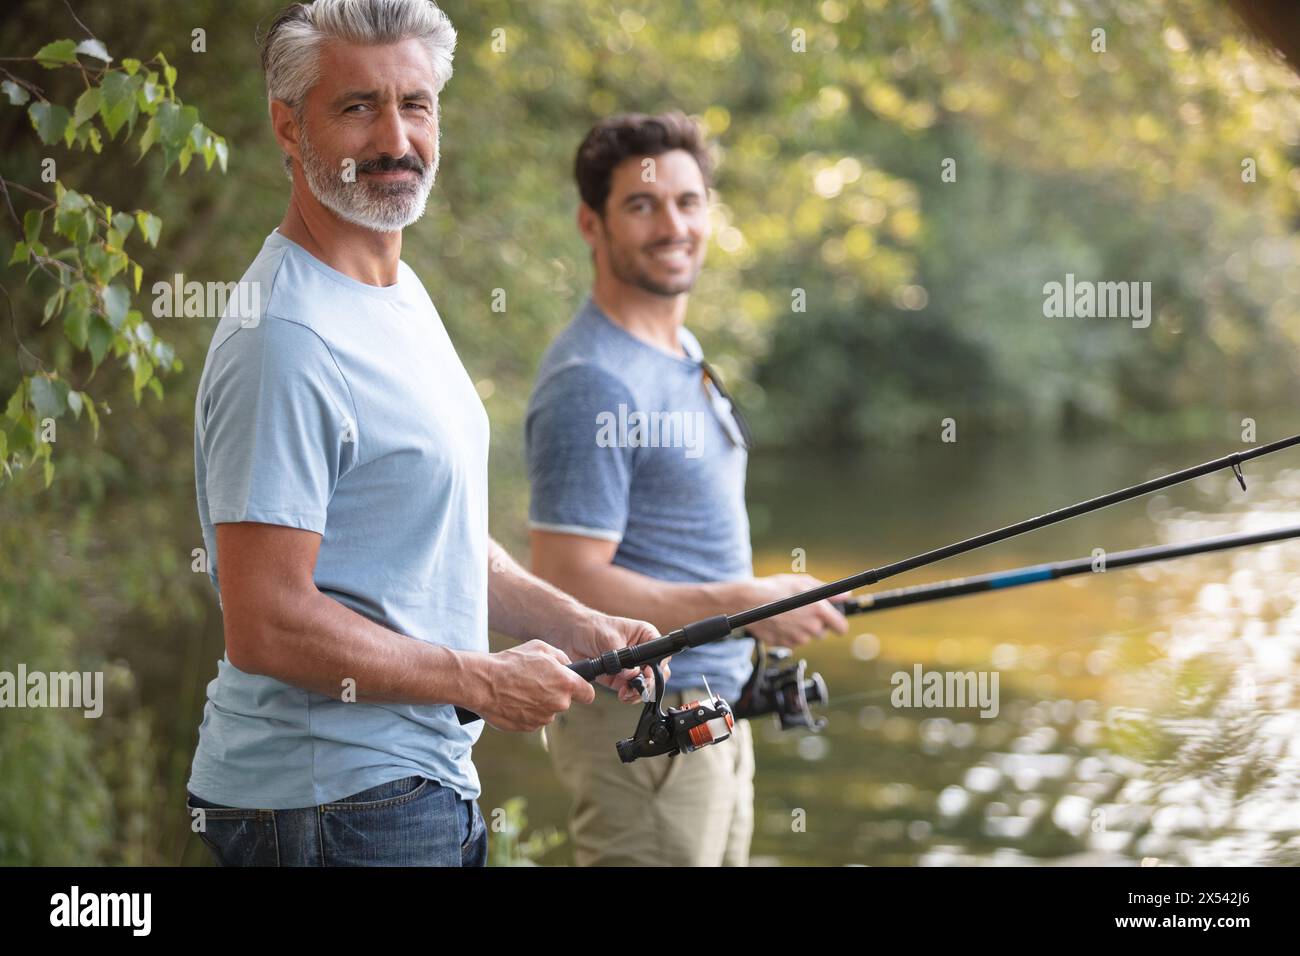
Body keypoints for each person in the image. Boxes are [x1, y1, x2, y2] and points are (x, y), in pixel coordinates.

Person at [185, 0, 656, 868]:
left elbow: (427, 542)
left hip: (408, 792)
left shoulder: (396, 289)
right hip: (327, 808)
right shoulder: (285, 338)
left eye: (416, 104)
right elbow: (267, 622)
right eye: (357, 106)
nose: (396, 139)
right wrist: (480, 677)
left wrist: (576, 621)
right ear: (289, 129)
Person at [526, 112, 849, 867]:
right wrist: (750, 604)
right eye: (642, 204)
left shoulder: (680, 351)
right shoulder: (591, 381)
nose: (673, 224)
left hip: (711, 714)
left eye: (688, 200)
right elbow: (567, 579)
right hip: (648, 728)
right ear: (591, 223)